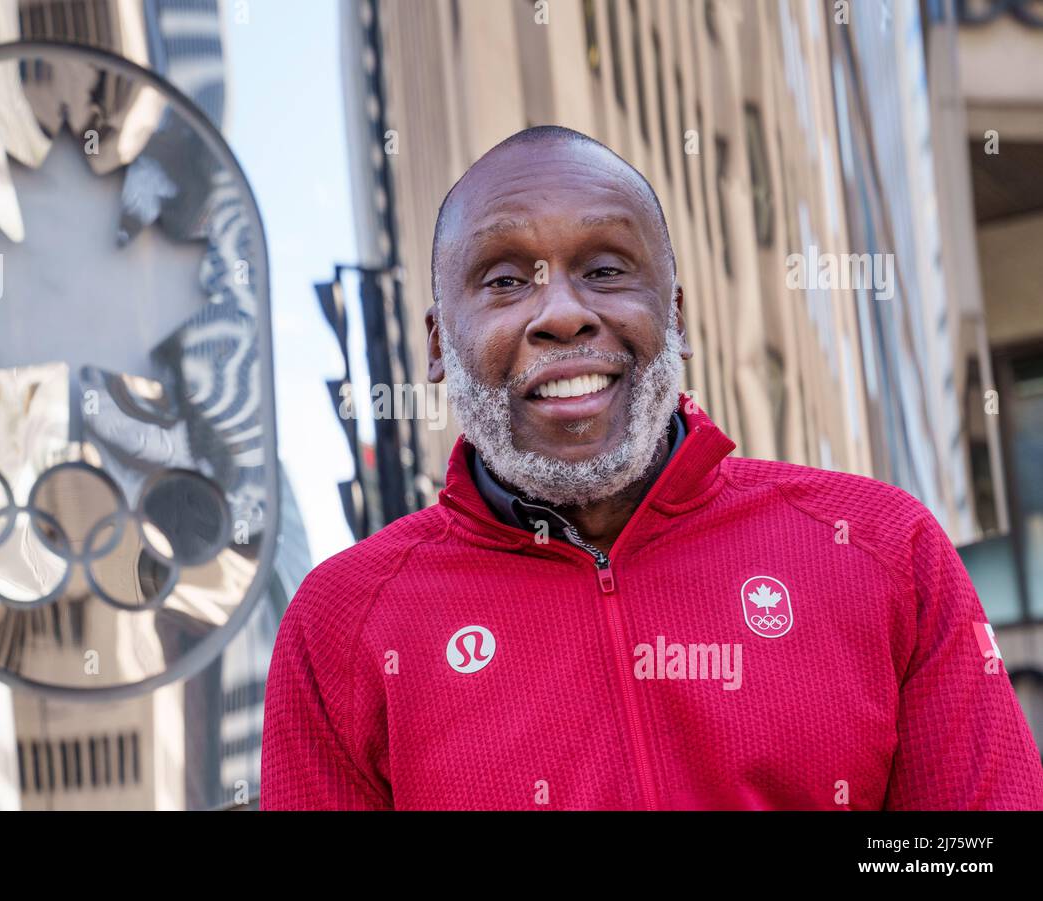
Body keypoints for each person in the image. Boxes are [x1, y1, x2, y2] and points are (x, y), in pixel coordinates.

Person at [259, 125, 1043, 810]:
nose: (562, 312)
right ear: (437, 345)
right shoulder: (340, 624)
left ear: (675, 316)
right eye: (504, 280)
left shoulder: (883, 547)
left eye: (604, 269)